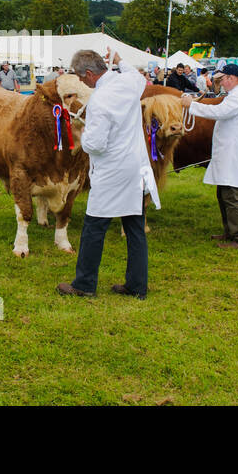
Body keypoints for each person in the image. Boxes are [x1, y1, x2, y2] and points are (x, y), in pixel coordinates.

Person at [57, 48, 152, 299]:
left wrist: (83, 135)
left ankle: (84, 284)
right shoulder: (127, 82)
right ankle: (137, 286)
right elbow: (139, 78)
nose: (79, 81)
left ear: (89, 74)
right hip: (135, 165)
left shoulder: (100, 99)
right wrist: (120, 61)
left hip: (112, 170)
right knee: (134, 228)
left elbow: (96, 144)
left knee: (94, 227)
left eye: (80, 76)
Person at [181, 63, 238, 249]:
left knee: (232, 195)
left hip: (234, 153)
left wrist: (192, 106)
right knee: (224, 193)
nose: (221, 83)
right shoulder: (236, 95)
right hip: (228, 151)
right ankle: (230, 232)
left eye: (222, 79)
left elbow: (218, 112)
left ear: (231, 78)